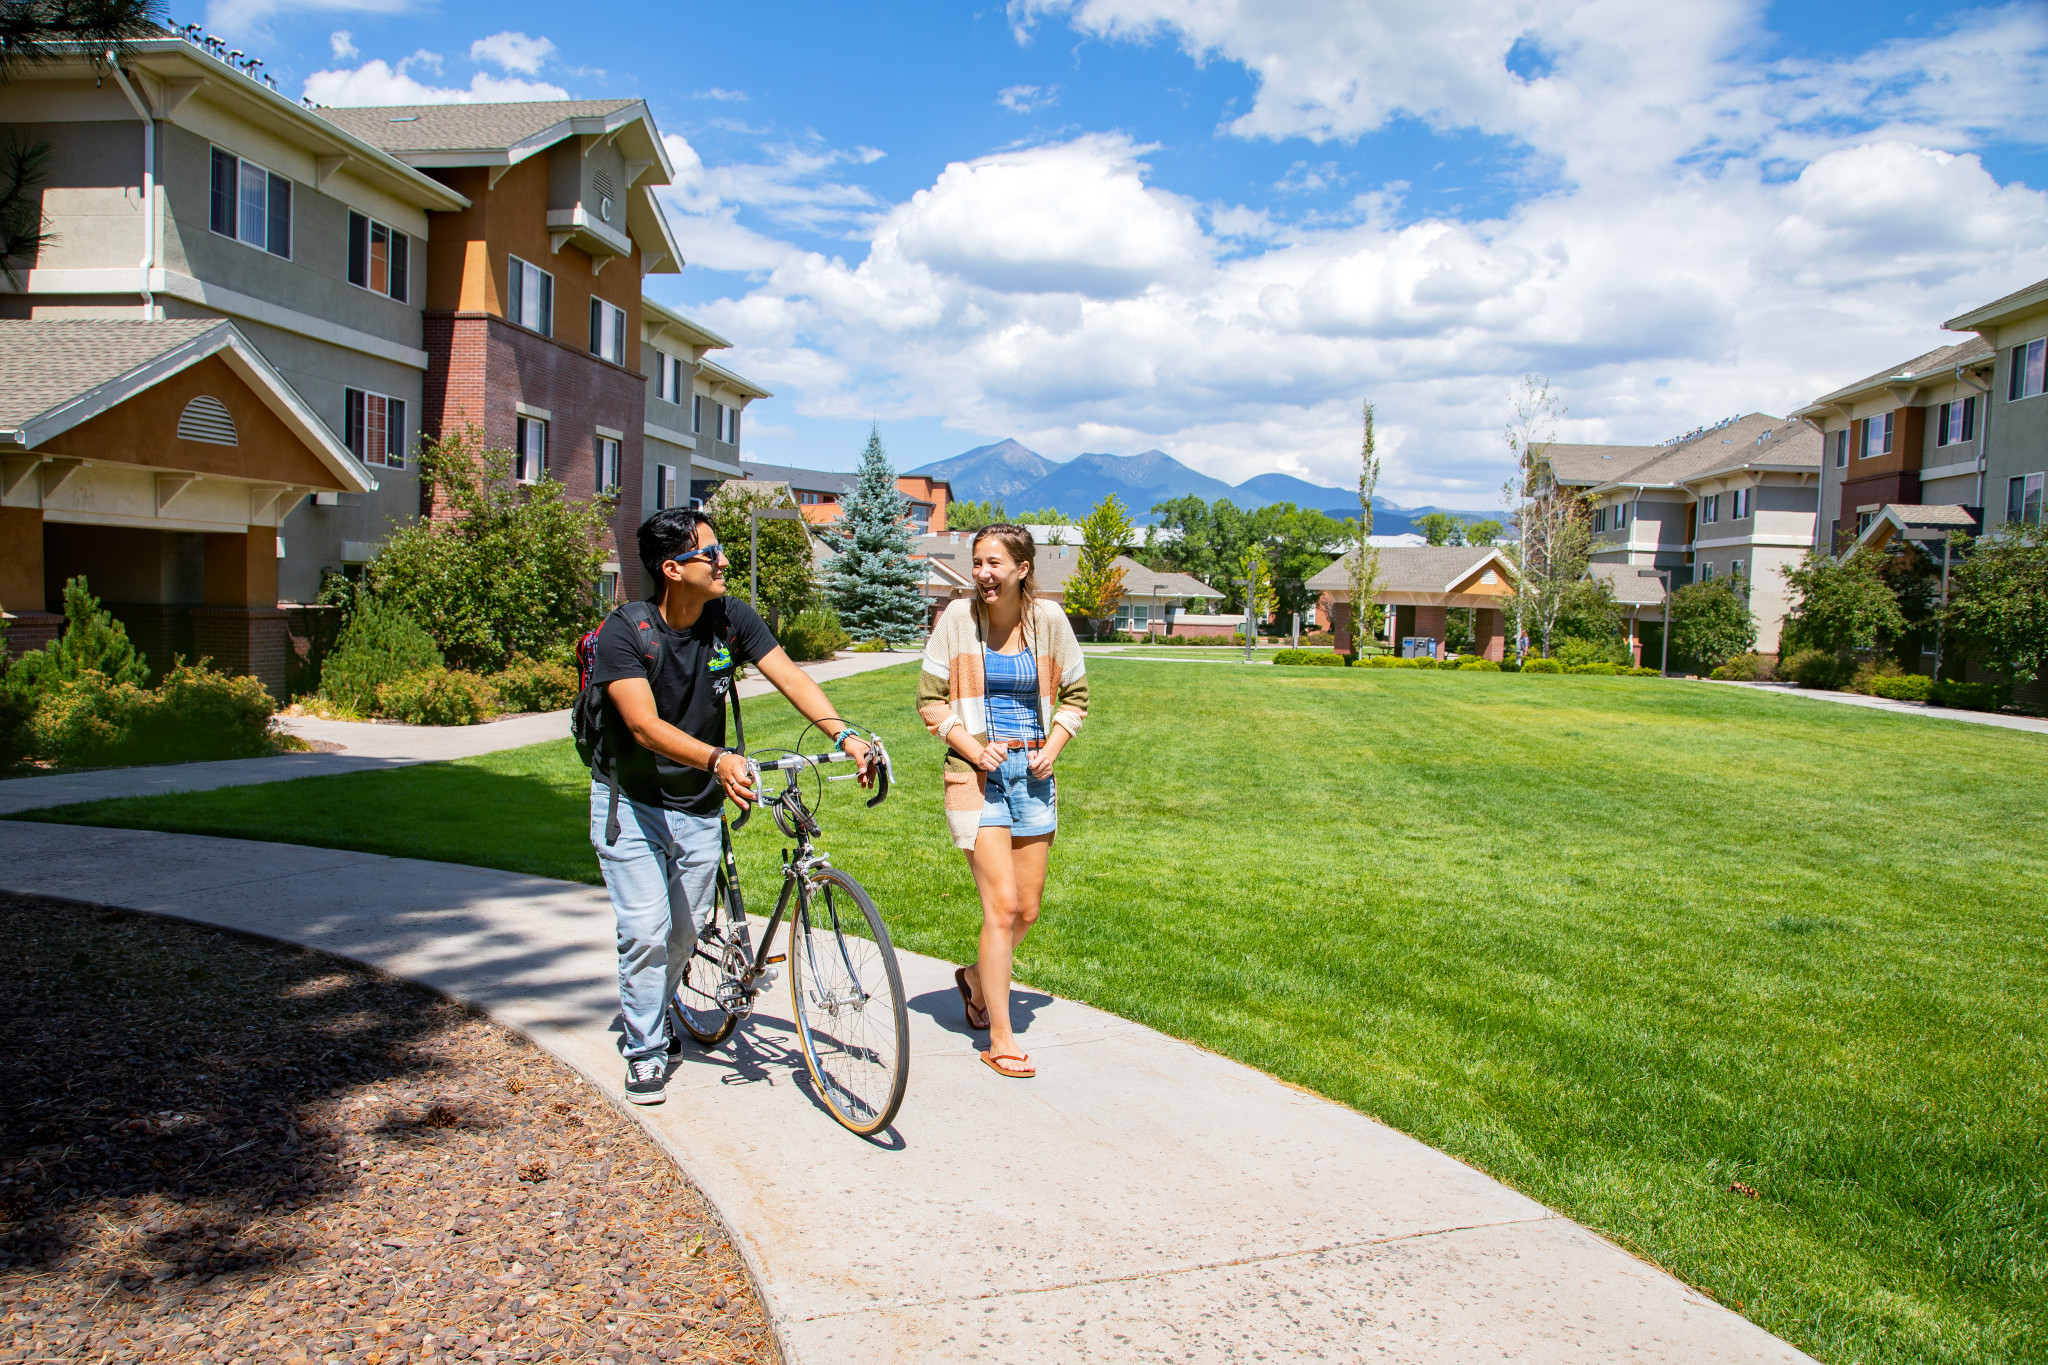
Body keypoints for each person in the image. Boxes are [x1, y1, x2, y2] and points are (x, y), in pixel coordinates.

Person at [590, 507, 871, 1105]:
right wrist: (718, 759)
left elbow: (790, 677)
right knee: (645, 930)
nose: (723, 561)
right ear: (671, 569)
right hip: (632, 804)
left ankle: (659, 1005)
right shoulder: (625, 631)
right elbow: (641, 725)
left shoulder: (729, 618)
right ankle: (644, 1047)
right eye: (709, 554)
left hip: (696, 806)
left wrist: (842, 735)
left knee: (682, 937)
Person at [916, 524, 1088, 1079]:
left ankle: (973, 977)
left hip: (1034, 774)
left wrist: (1054, 747)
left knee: (1028, 909)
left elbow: (1077, 696)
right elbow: (930, 701)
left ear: (1022, 569)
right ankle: (1000, 1035)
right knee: (1003, 907)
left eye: (995, 563)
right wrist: (972, 748)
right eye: (978, 562)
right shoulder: (957, 623)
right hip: (976, 777)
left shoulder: (1049, 622)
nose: (984, 574)